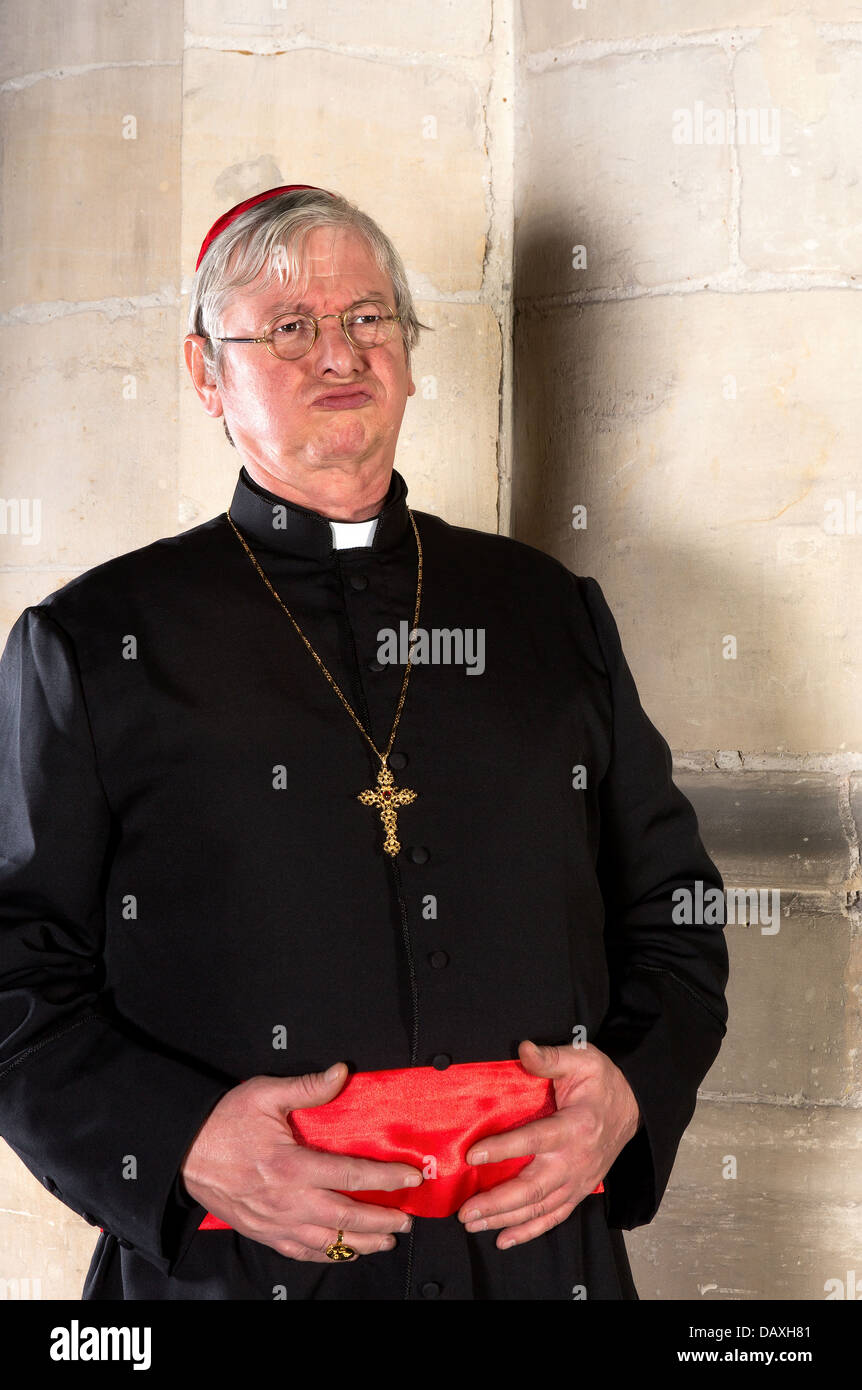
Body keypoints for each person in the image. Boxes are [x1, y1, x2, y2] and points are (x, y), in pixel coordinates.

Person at [0, 184, 728, 1300]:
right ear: (207, 373)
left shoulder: (544, 611)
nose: (339, 351)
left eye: (369, 319)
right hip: (238, 1267)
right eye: (290, 327)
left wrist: (627, 1095)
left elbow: (676, 910)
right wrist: (181, 1142)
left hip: (538, 1265)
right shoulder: (97, 642)